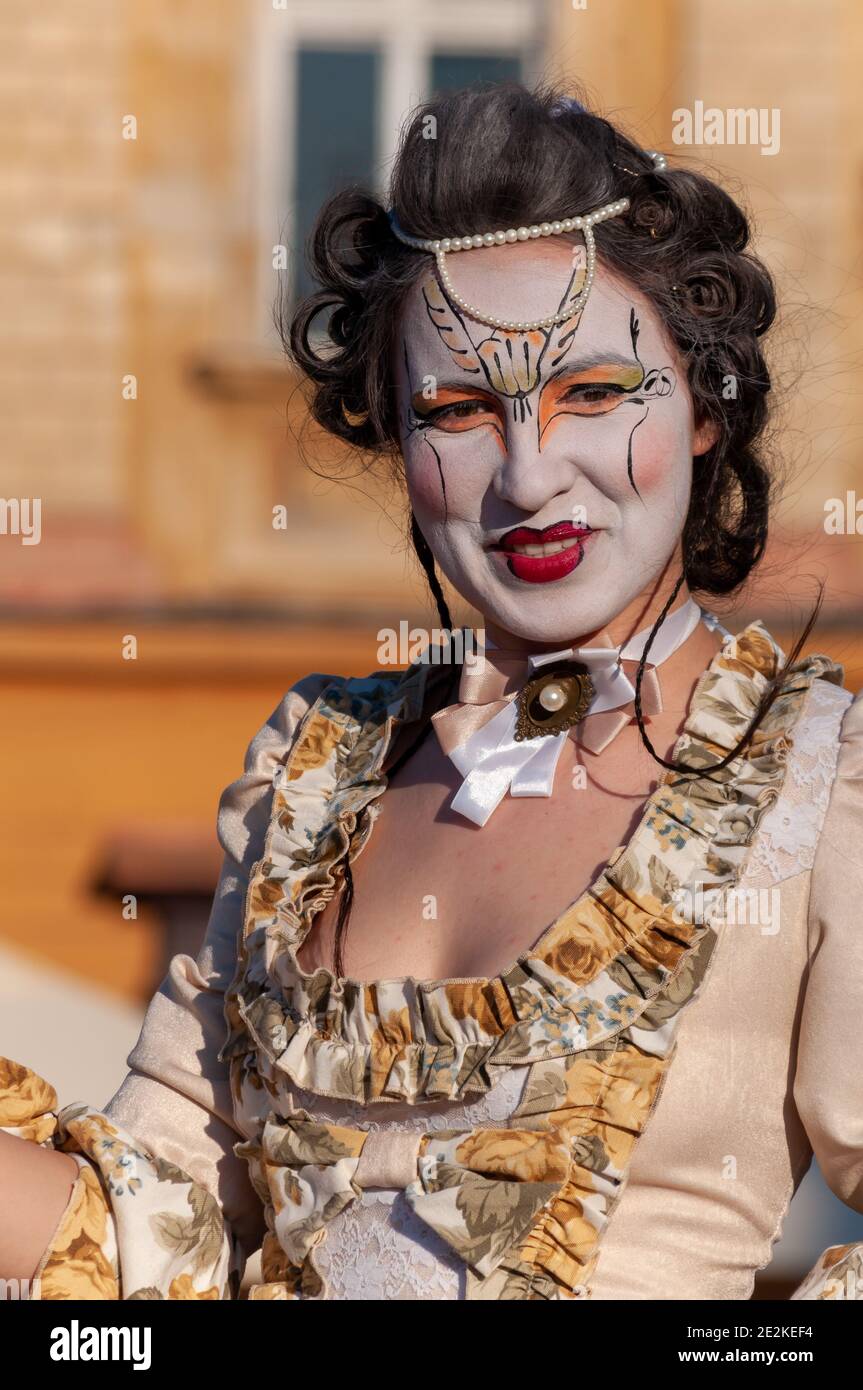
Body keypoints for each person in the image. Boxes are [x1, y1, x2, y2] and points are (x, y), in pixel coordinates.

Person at [1, 82, 861, 1302]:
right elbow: (157, 1232)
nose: (526, 473)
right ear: (397, 442)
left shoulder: (817, 782)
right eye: (456, 411)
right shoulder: (316, 773)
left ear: (706, 401)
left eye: (593, 393)